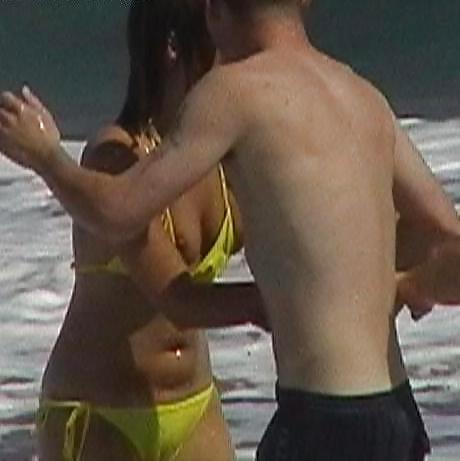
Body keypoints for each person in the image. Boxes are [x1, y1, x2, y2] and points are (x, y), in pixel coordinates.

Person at [2, 0, 460, 459]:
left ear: (219, 12)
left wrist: (45, 156)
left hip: (306, 416)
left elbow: (116, 212)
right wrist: (402, 284)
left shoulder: (232, 102)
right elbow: (443, 234)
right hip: (390, 414)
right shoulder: (363, 96)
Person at [0, 2, 265, 461]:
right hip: (101, 412)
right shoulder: (115, 160)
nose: (236, 60)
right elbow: (179, 301)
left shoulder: (222, 160)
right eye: (220, 42)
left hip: (195, 406)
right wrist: (269, 304)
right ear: (173, 47)